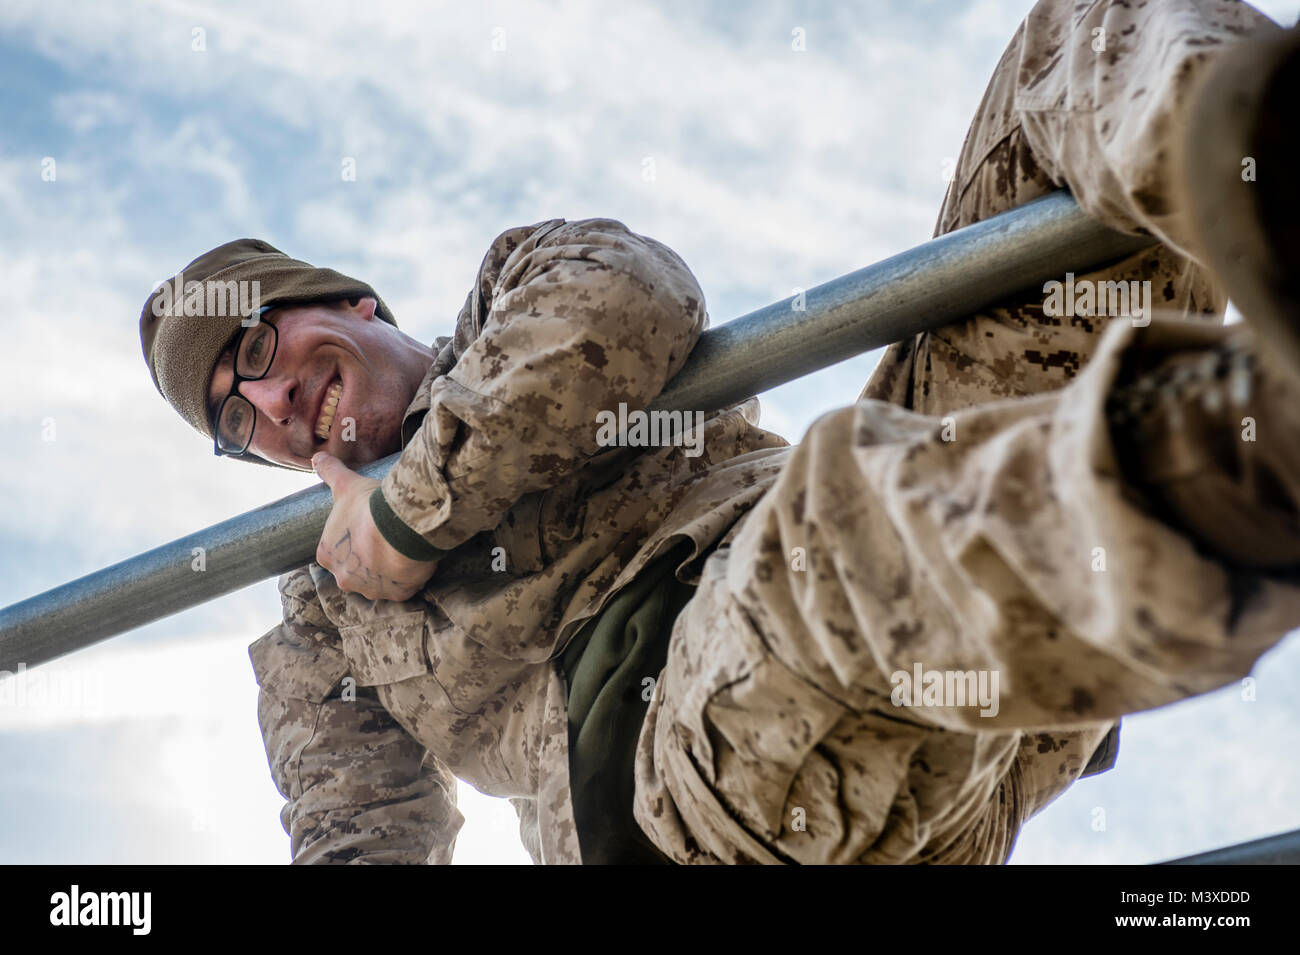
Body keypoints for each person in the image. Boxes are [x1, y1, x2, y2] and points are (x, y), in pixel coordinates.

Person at [138, 0, 1300, 864]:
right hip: (697, 778)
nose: (275, 408)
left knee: (1082, 38)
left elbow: (627, 303)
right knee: (831, 539)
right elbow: (357, 838)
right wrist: (370, 553)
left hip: (958, 649)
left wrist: (409, 512)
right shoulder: (320, 614)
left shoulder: (518, 292)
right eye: (238, 424)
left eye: (252, 351)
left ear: (348, 303)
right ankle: (1258, 452)